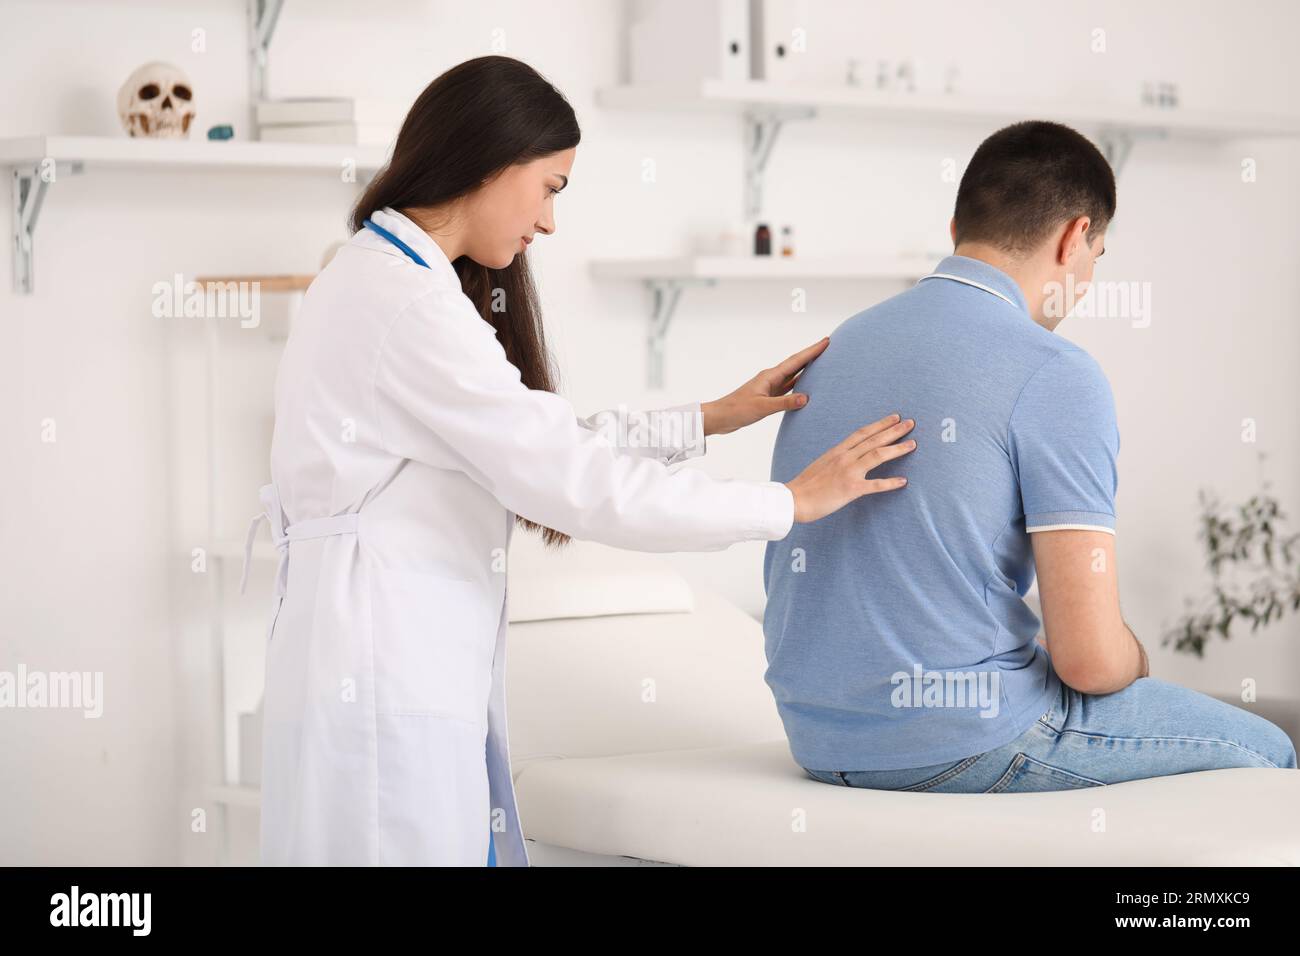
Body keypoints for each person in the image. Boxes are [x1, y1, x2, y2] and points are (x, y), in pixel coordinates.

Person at [241, 54, 917, 865]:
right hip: (380, 683)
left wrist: (708, 418)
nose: (551, 223)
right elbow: (579, 484)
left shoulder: (378, 279)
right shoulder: (405, 304)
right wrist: (787, 504)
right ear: (491, 159)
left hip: (375, 666)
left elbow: (539, 438)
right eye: (552, 187)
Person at [764, 119, 1296, 795]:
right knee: (1271, 748)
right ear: (1076, 238)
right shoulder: (1055, 373)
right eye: (1098, 256)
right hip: (960, 741)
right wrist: (1134, 657)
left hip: (816, 735)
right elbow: (1089, 663)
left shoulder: (836, 348)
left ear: (957, 229)